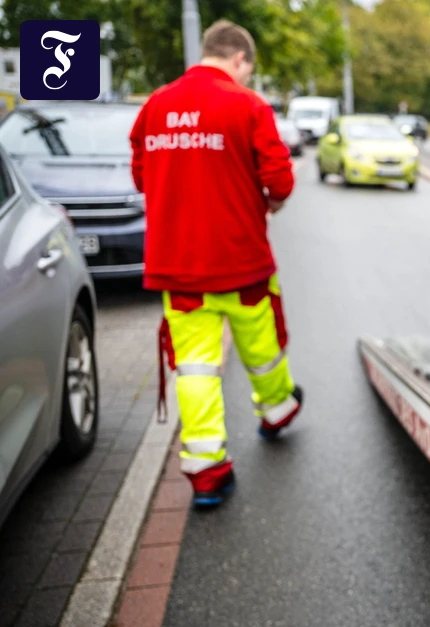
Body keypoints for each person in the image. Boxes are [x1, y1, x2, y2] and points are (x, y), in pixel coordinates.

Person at [129, 20, 303, 507]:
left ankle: (207, 472)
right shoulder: (247, 105)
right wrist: (270, 201)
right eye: (247, 69)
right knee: (263, 348)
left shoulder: (155, 105)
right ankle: (277, 411)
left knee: (196, 370)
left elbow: (142, 177)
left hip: (178, 268)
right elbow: (281, 181)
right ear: (240, 60)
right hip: (241, 262)